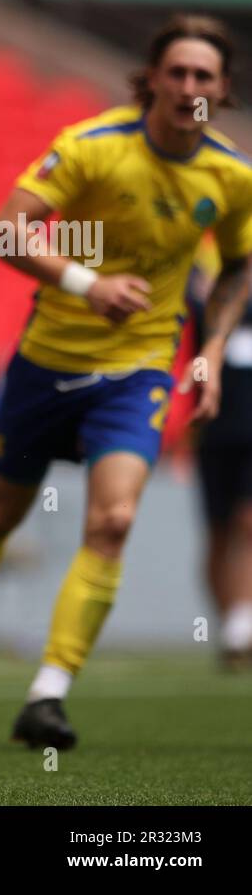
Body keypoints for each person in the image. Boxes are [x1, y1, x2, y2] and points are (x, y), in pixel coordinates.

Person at [0, 14, 252, 749]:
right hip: (48, 363)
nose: (190, 87)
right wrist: (84, 281)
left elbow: (238, 267)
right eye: (179, 73)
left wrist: (213, 351)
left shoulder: (231, 176)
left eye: (205, 76)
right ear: (153, 79)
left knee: (114, 521)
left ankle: (48, 694)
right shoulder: (92, 149)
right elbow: (3, 230)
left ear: (222, 89)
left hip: (138, 372)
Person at [188, 244, 252, 667]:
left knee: (247, 521)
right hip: (213, 426)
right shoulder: (203, 270)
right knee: (217, 531)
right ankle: (229, 623)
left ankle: (243, 624)